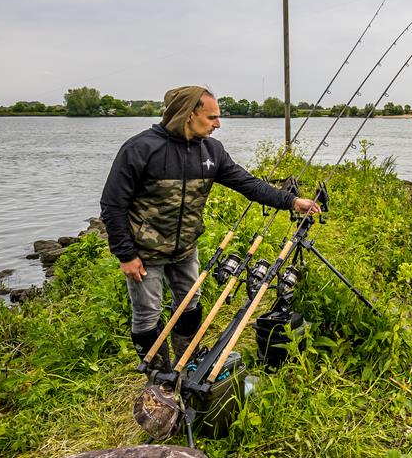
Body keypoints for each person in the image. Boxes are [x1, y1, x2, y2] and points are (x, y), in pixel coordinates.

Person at [100, 85, 318, 375]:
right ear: (189, 114)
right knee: (147, 316)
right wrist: (126, 255)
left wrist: (291, 201)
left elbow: (248, 184)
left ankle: (187, 364)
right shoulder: (140, 149)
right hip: (145, 253)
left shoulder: (212, 151)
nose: (218, 124)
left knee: (190, 306)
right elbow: (112, 204)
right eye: (212, 117)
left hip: (186, 250)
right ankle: (159, 377)